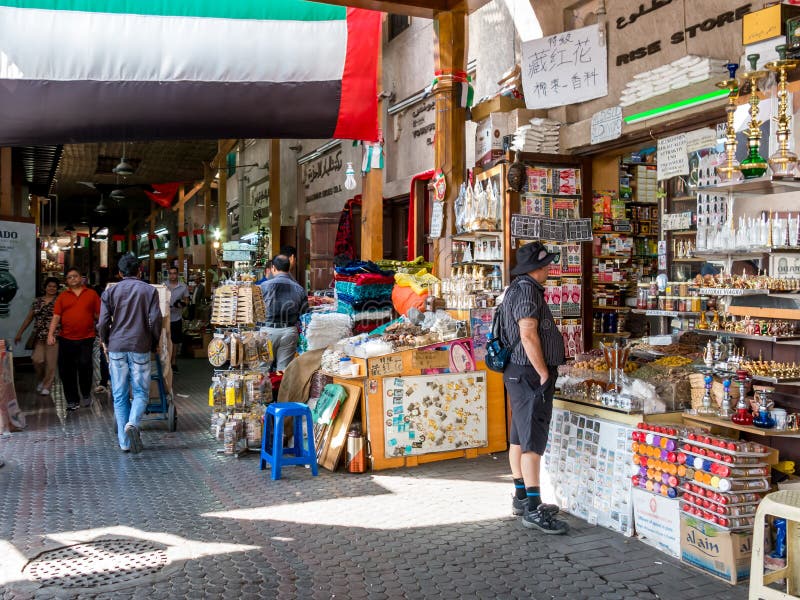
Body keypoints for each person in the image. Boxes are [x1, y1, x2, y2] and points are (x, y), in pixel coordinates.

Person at [500, 241, 567, 534]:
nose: (550, 268)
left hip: (517, 373)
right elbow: (528, 334)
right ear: (536, 268)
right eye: (547, 264)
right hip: (528, 373)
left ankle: (520, 495)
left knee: (518, 436)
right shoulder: (527, 291)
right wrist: (542, 373)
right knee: (532, 443)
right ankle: (533, 507)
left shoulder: (515, 288)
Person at [98, 254, 162, 453]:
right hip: (140, 346)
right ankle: (133, 423)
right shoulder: (150, 291)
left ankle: (125, 443)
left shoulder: (111, 292)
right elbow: (156, 319)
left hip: (117, 346)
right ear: (140, 270)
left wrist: (105, 340)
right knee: (141, 392)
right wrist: (154, 341)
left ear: (119, 272)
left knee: (119, 395)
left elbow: (102, 322)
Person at [47, 267, 101, 411]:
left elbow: (98, 315)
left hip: (86, 338)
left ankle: (85, 394)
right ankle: (71, 400)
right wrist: (50, 334)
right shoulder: (62, 297)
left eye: (75, 276)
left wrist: (104, 331)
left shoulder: (91, 294)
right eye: (70, 277)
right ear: (66, 281)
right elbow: (56, 317)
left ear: (81, 278)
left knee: (85, 366)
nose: (73, 279)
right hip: (66, 339)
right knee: (66, 371)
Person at [259, 254, 308, 370]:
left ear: (273, 268)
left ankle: (262, 388)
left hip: (268, 331)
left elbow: (256, 309)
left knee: (262, 369)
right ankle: (281, 388)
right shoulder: (299, 288)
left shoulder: (264, 286)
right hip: (289, 331)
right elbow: (305, 312)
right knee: (284, 371)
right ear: (288, 268)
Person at [15, 277, 60, 395]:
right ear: (45, 287)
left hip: (54, 336)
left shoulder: (60, 301)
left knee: (51, 363)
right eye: (49, 286)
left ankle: (47, 386)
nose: (52, 288)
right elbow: (29, 318)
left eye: (54, 286)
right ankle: (41, 380)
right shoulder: (37, 301)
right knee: (37, 360)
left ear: (57, 288)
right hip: (39, 336)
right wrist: (20, 333)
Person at [165, 266, 189, 373]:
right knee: (165, 341)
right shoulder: (163, 286)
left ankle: (173, 362)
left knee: (175, 341)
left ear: (177, 274)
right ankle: (166, 362)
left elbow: (187, 301)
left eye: (174, 273)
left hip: (176, 318)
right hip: (165, 318)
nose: (172, 275)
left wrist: (181, 304)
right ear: (168, 274)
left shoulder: (183, 287)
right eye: (170, 273)